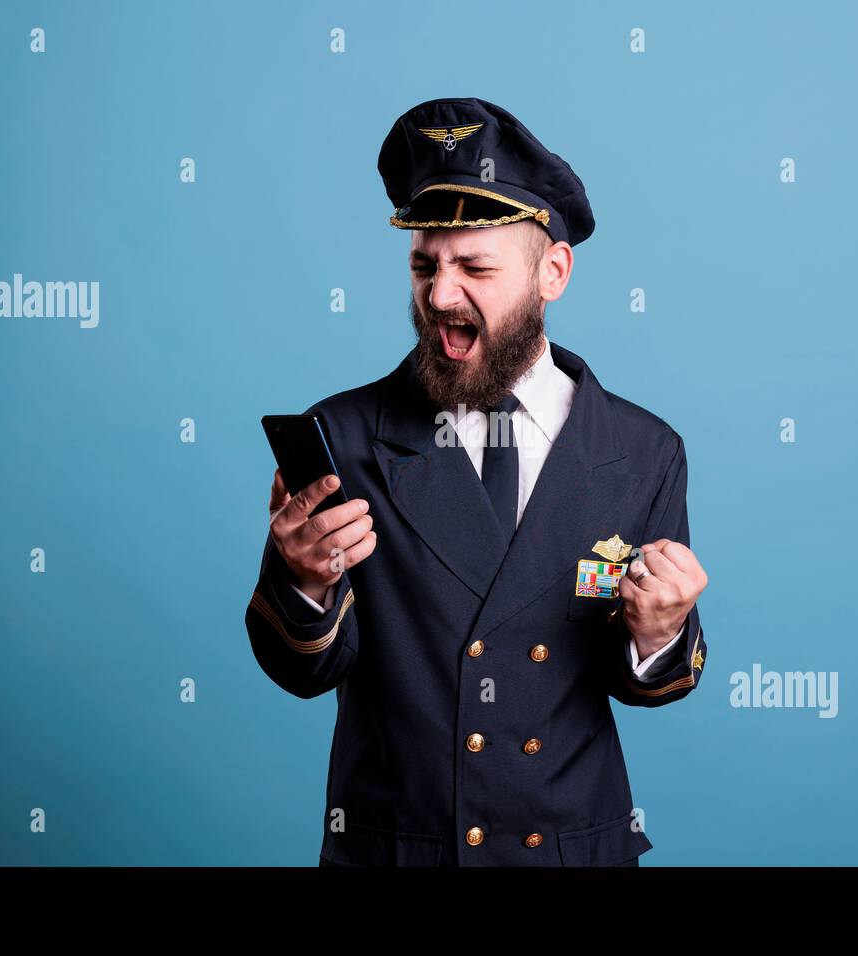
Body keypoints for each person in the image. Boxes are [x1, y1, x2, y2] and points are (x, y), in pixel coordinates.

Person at [246, 97, 709, 867]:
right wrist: (301, 579)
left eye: (474, 268)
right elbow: (303, 672)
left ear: (552, 273)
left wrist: (661, 630)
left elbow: (647, 686)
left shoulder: (643, 450)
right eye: (425, 265)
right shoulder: (346, 436)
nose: (438, 295)